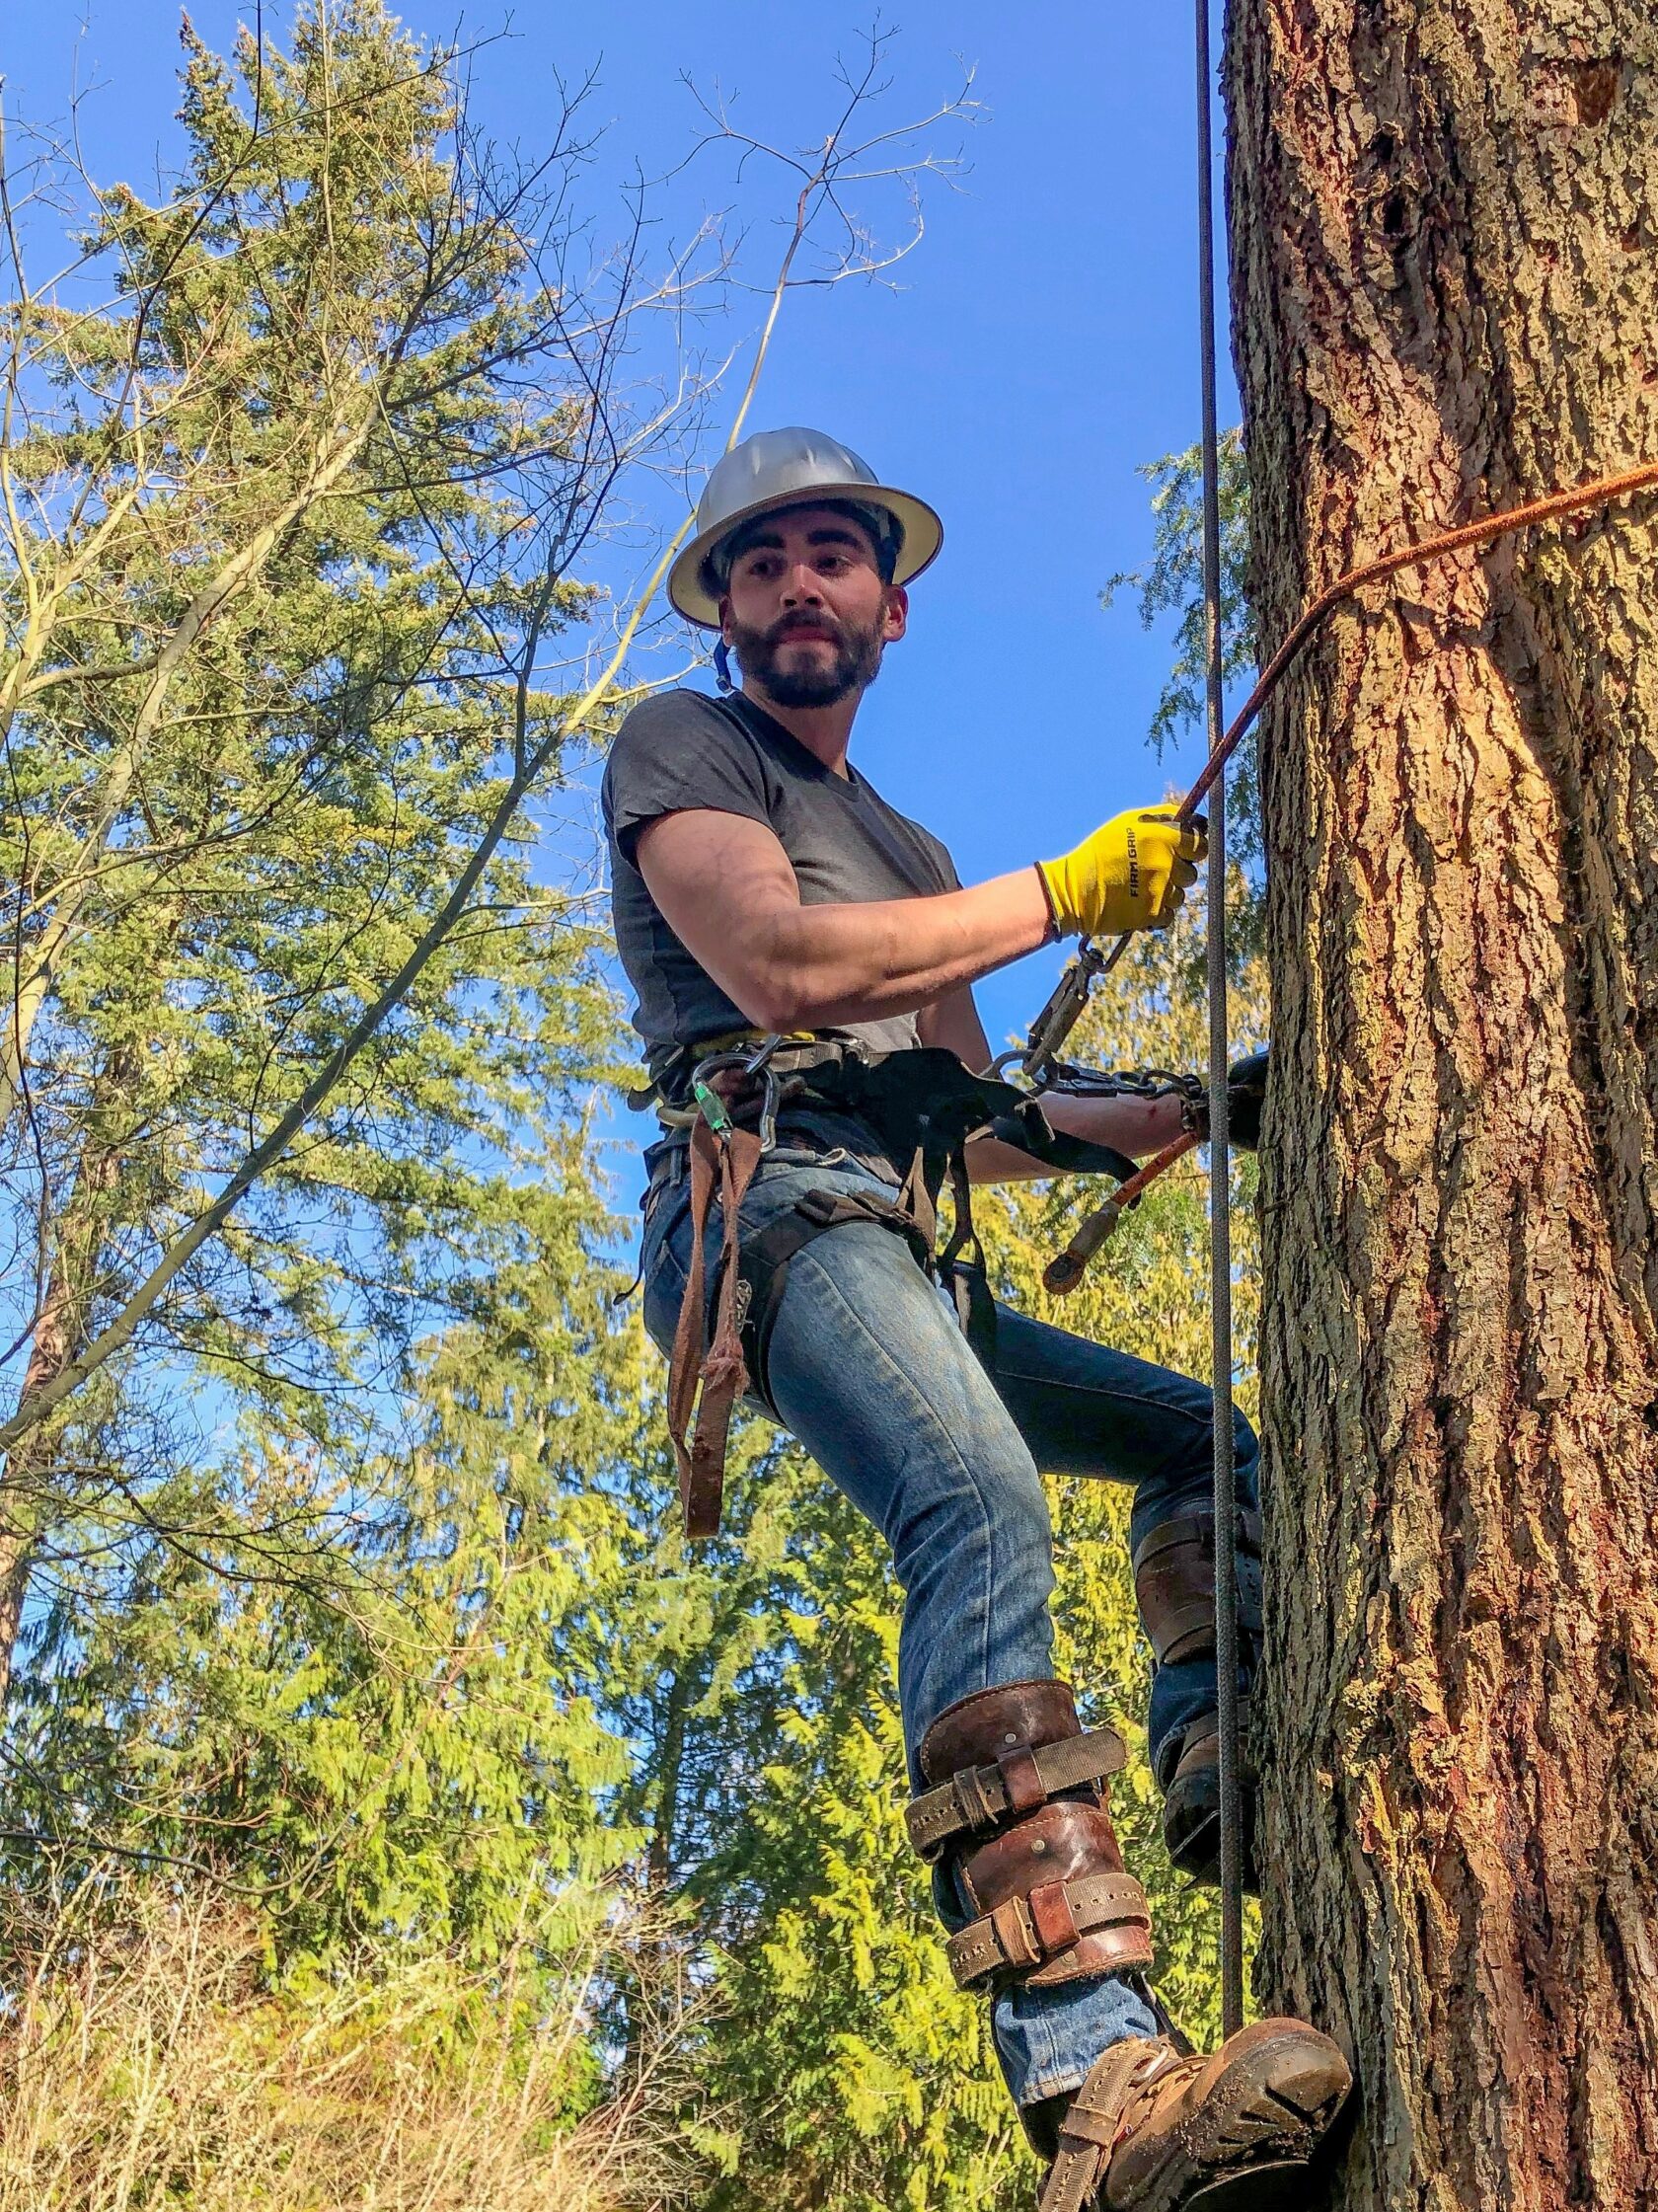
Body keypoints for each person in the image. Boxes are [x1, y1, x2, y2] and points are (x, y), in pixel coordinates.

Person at [603, 428, 1349, 2209]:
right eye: (761, 559)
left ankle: (1210, 1753)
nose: (798, 582)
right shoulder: (685, 750)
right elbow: (780, 970)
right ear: (723, 605)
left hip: (908, 1239)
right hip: (769, 1214)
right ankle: (1097, 2094)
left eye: (831, 556)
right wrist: (1055, 894)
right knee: (978, 1502)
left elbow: (979, 1118)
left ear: (891, 604)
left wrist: (1187, 1109)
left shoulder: (904, 839)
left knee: (1201, 1441)